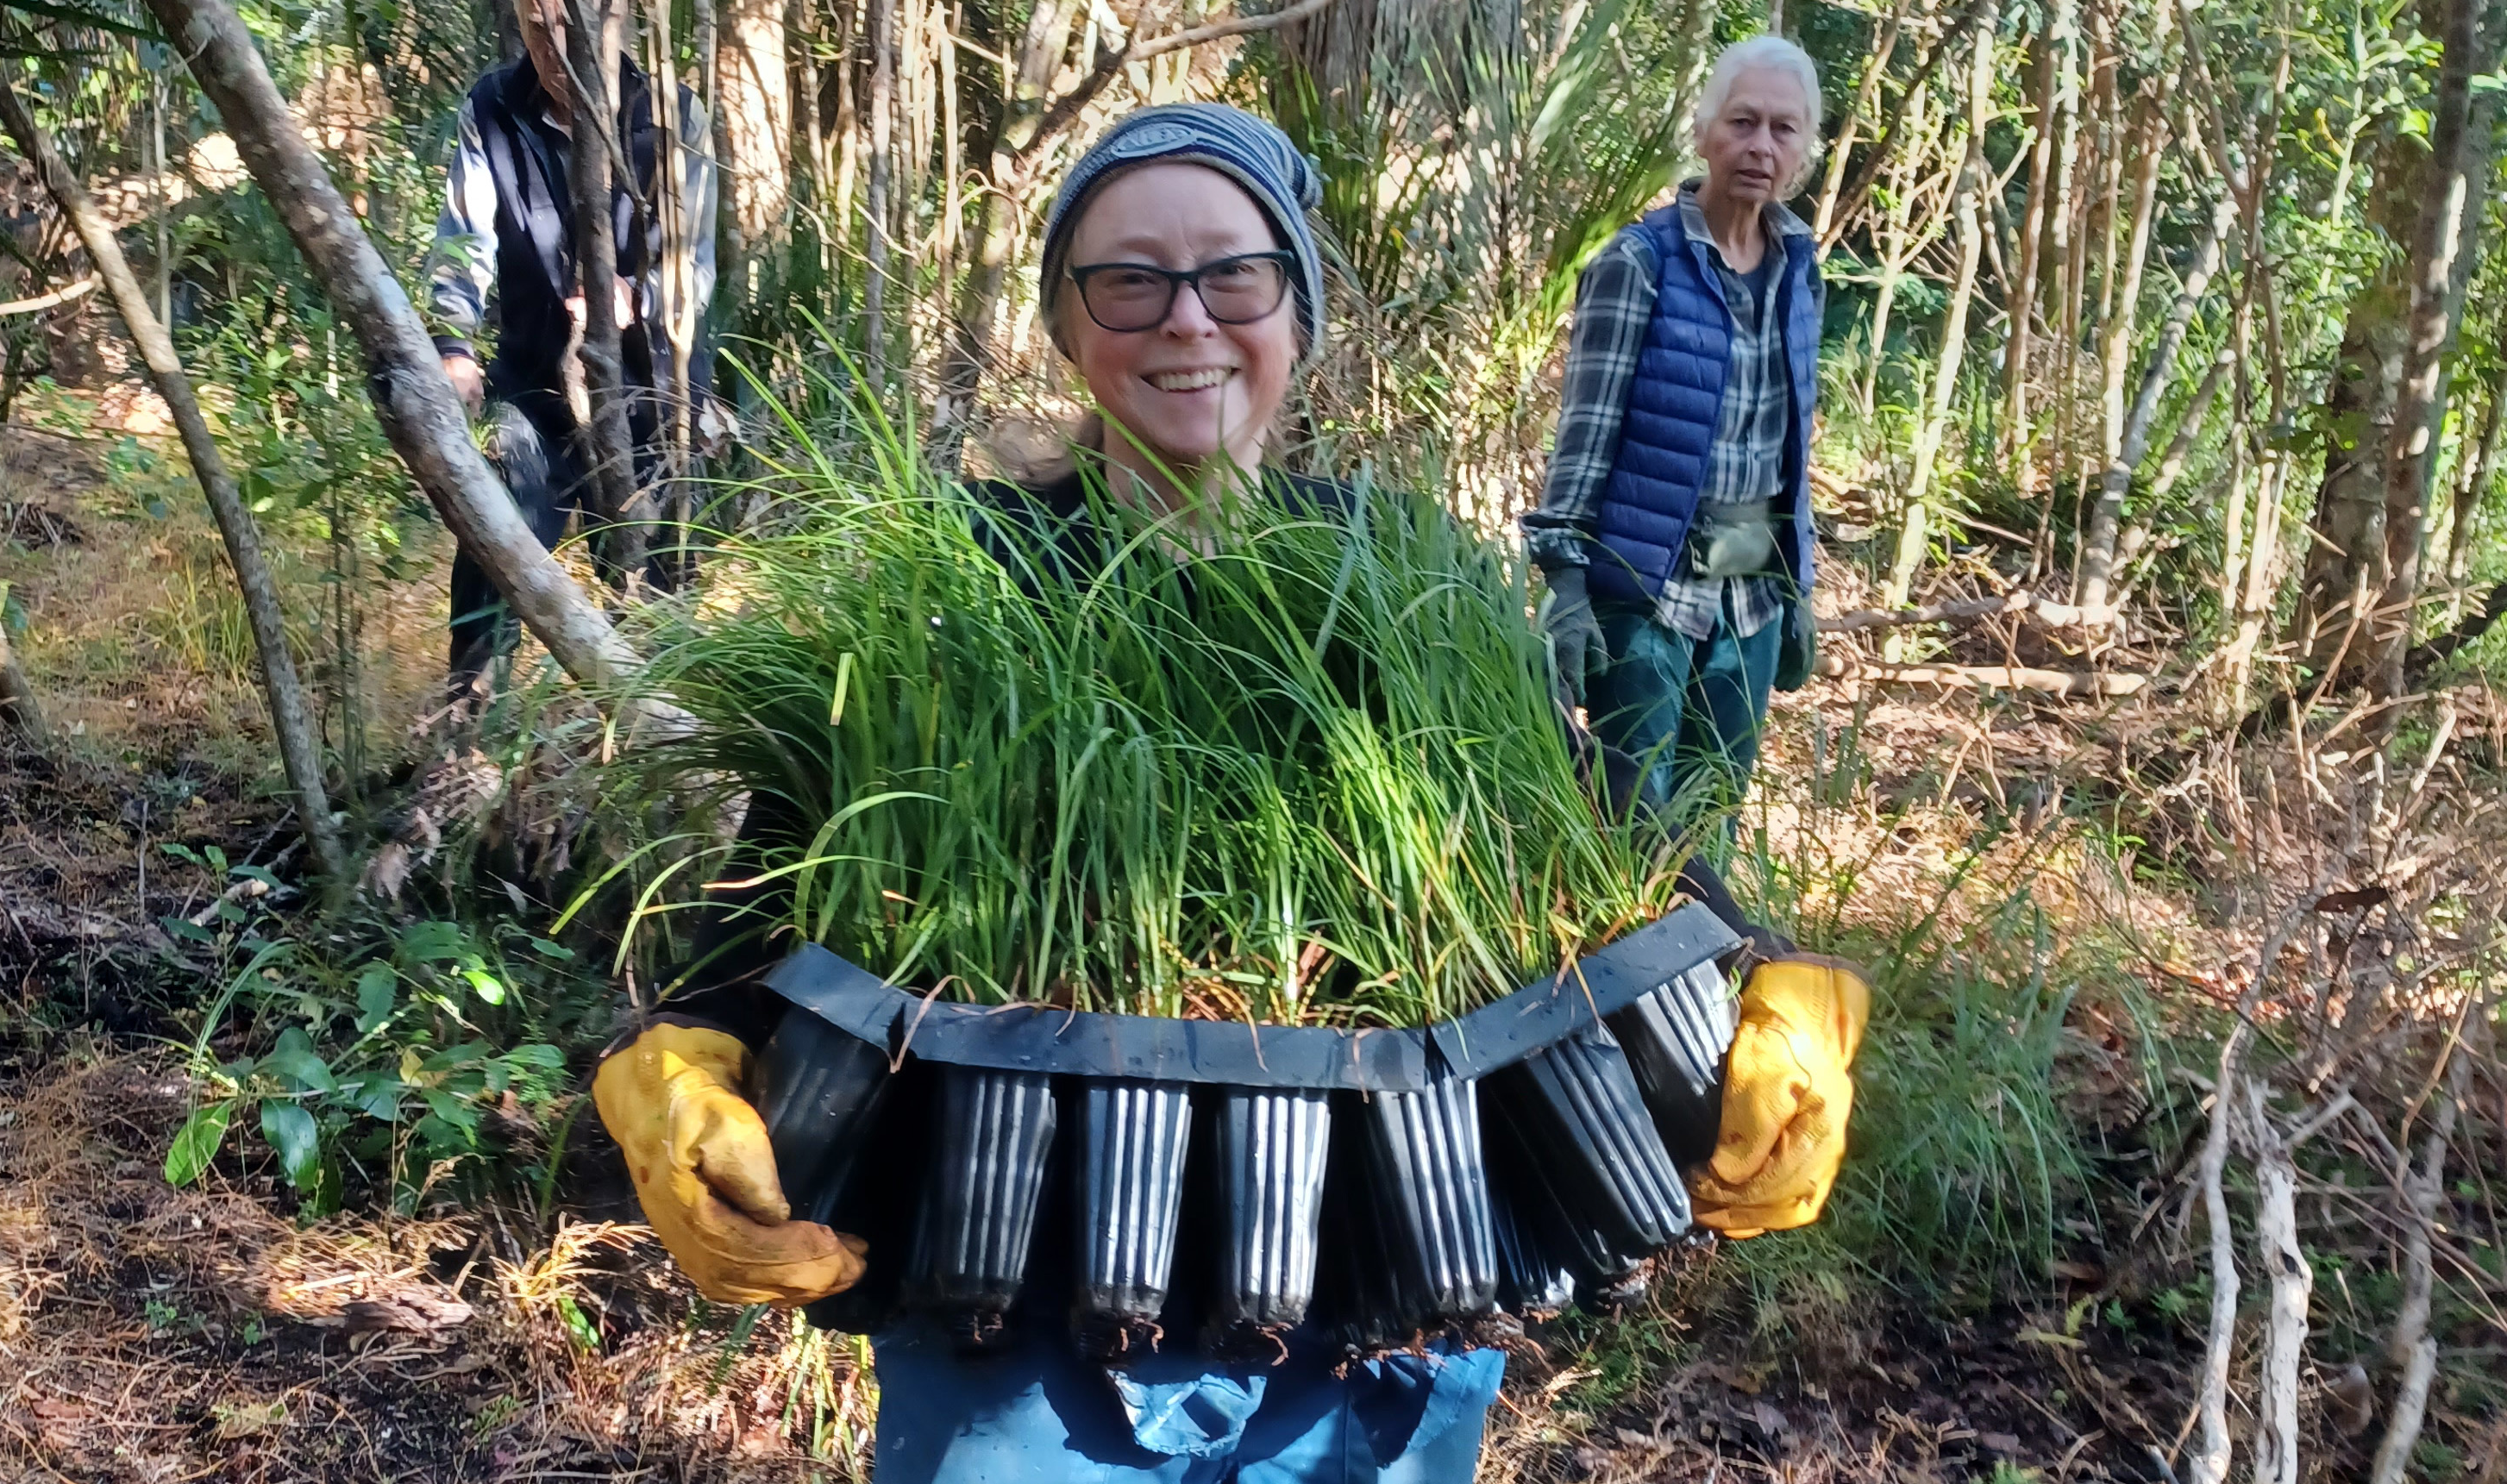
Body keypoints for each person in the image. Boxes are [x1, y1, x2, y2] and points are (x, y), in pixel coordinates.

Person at [590, 102, 1862, 1484]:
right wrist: (681, 1049)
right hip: (1014, 1324)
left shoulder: (1404, 567)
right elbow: (792, 870)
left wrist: (1768, 977)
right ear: (1069, 327)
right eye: (1128, 279)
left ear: (1294, 311)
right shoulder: (956, 576)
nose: (1185, 320)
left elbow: (1581, 843)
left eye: (1232, 275)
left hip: (1377, 1301)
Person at [1524, 35, 1825, 848]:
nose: (1761, 146)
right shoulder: (1639, 262)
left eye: (1784, 130)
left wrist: (1801, 583)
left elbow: (1790, 438)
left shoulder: (1800, 263)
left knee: (1713, 806)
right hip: (1647, 575)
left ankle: (1712, 971)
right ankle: (1625, 967)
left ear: (1804, 148)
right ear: (1704, 133)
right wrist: (1565, 579)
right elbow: (1586, 430)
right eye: (1743, 122)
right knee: (1632, 811)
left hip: (1748, 571)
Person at [427, 0, 715, 704]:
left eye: (572, 24)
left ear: (618, 16)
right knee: (498, 517)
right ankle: (469, 723)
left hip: (655, 391)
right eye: (537, 26)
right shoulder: (493, 109)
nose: (556, 47)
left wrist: (635, 300)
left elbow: (696, 269)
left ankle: (645, 746)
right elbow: (464, 238)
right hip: (536, 379)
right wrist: (453, 345)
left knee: (654, 589)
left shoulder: (675, 117)